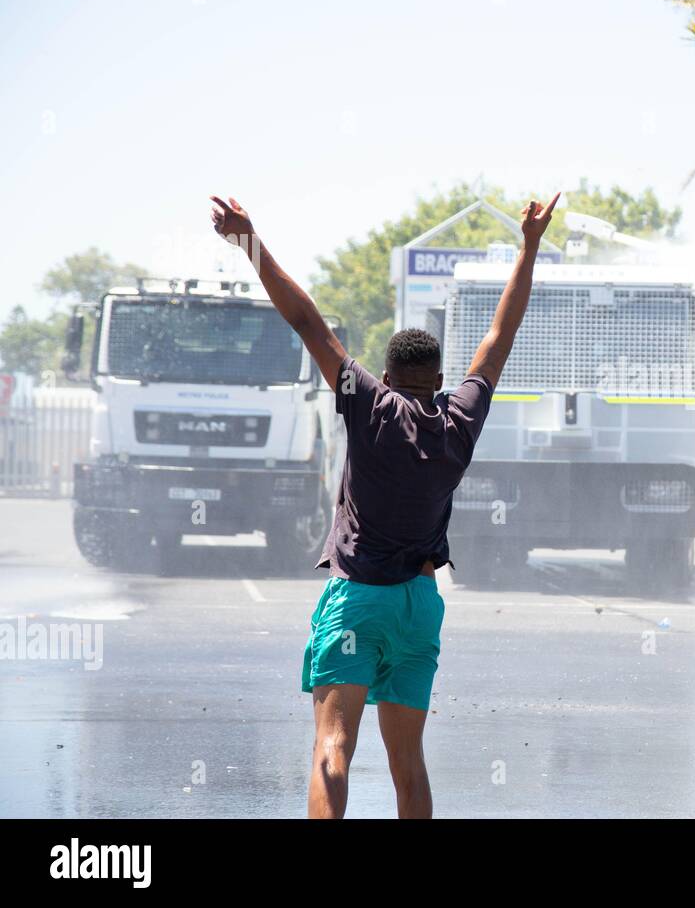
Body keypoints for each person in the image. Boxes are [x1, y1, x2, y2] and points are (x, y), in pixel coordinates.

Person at [209, 191, 559, 818]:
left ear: (390, 377)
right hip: (421, 605)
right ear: (439, 376)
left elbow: (308, 323)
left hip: (360, 598)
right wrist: (529, 245)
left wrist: (248, 244)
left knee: (333, 745)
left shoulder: (370, 405)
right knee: (409, 766)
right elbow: (501, 334)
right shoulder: (460, 419)